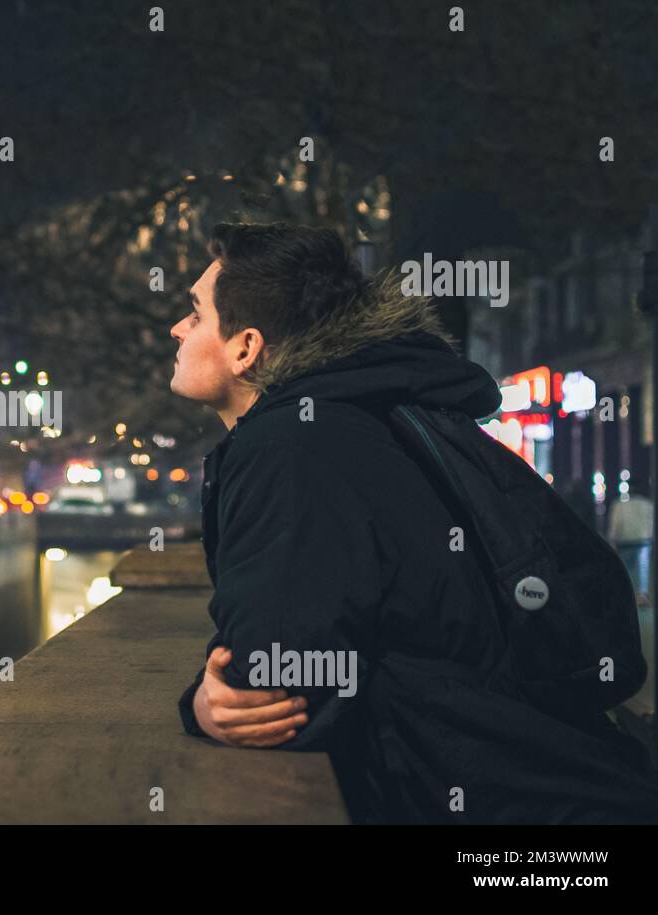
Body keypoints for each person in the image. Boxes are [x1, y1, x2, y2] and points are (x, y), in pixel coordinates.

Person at [169, 221, 658, 823]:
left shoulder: (291, 448)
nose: (177, 328)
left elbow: (278, 691)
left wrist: (201, 705)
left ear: (245, 348)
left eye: (194, 315)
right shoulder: (360, 417)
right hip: (549, 789)